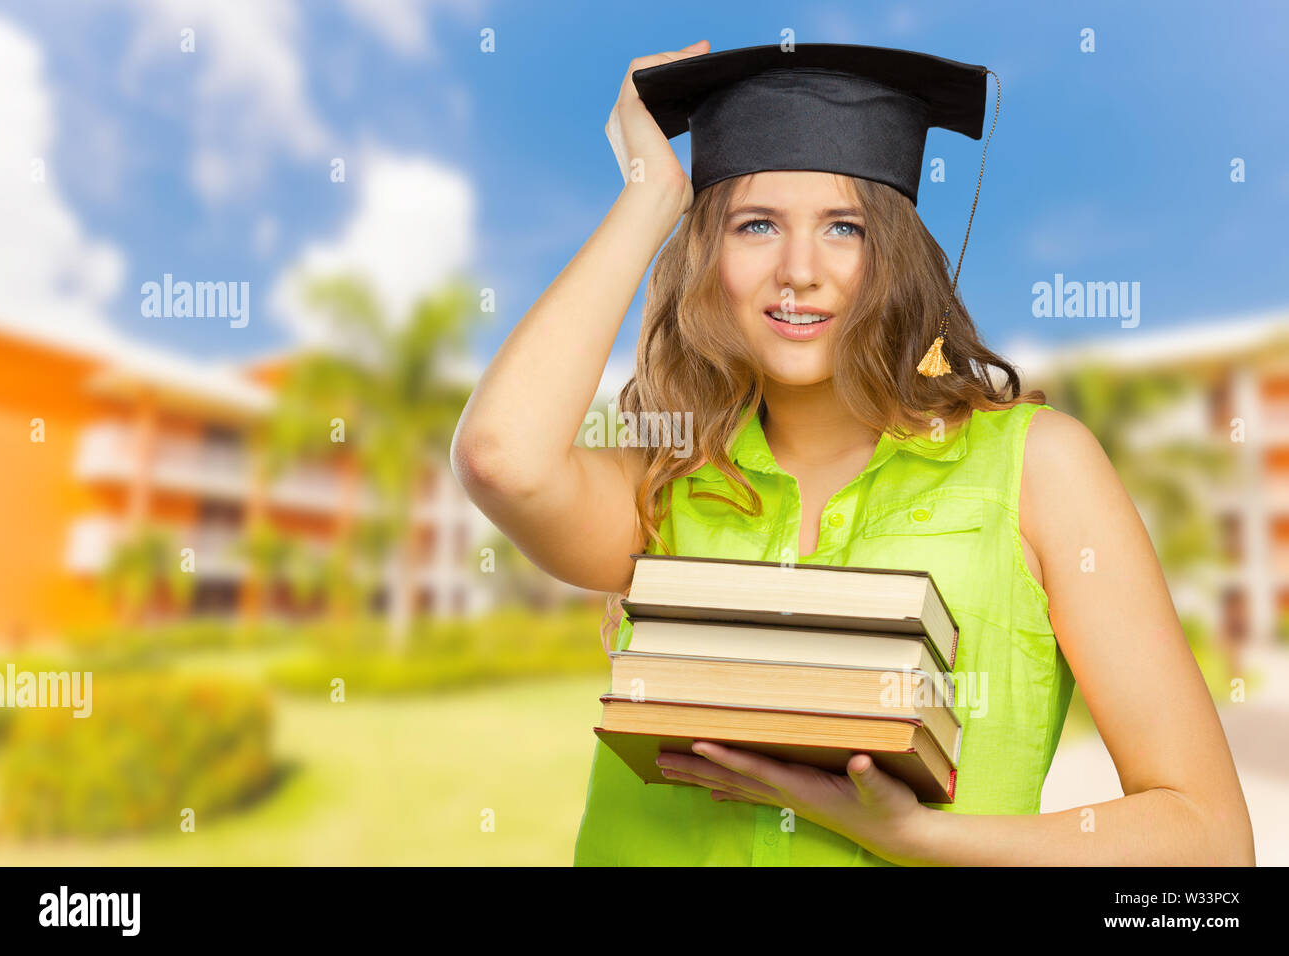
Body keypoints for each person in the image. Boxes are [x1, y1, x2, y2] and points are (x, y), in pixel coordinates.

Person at [450, 40, 1255, 866]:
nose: (800, 272)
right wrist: (651, 193)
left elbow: (1208, 838)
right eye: (754, 225)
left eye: (845, 228)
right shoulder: (663, 483)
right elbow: (499, 457)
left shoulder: (1038, 469)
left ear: (894, 257)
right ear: (706, 255)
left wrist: (914, 836)